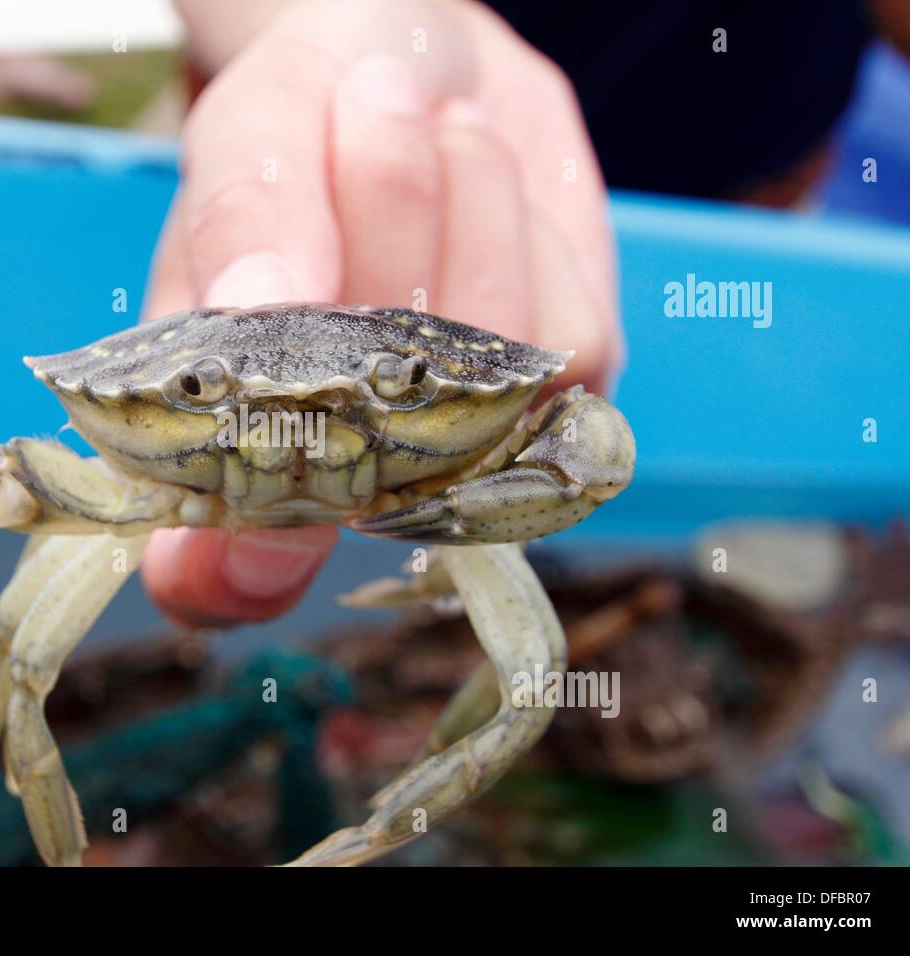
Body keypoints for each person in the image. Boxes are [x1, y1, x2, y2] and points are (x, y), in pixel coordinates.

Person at [138, 0, 623, 628]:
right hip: (265, 83)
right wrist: (294, 32)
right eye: (197, 388)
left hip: (684, 173)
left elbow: (592, 451)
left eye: (404, 385)